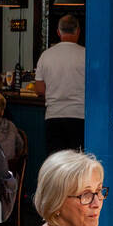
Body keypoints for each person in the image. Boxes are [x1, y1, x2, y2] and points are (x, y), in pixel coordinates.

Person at [33, 14, 86, 155]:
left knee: (56, 163)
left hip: (54, 116)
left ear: (58, 32)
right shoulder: (86, 55)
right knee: (77, 163)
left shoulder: (46, 55)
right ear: (78, 31)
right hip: (80, 116)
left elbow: (39, 89)